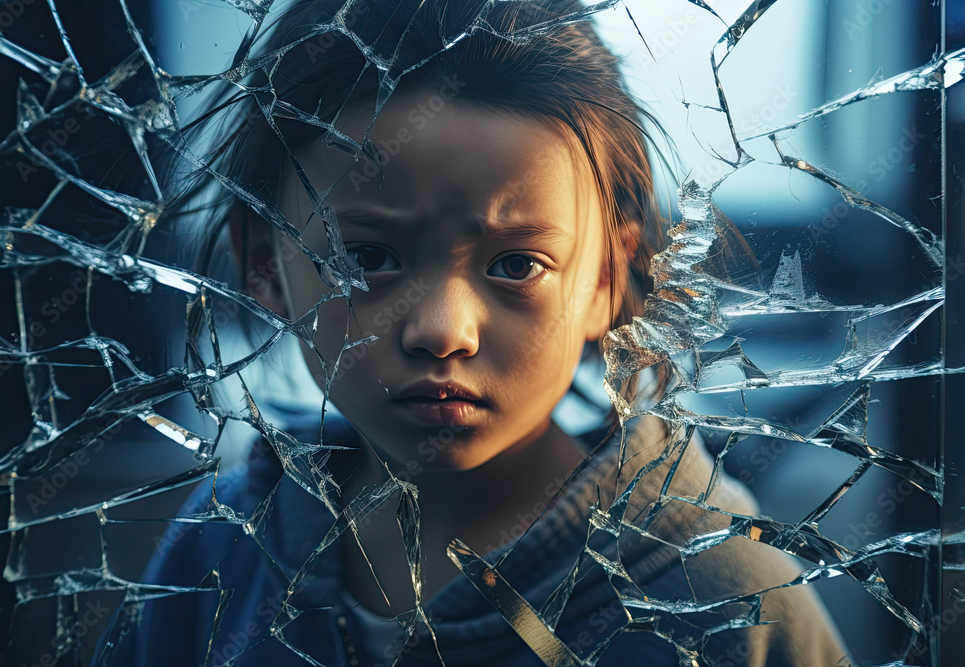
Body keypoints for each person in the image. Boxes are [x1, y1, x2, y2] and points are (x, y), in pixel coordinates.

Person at [108, 1, 849, 665]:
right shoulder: (219, 546)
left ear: (606, 280)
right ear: (264, 263)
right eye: (369, 257)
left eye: (517, 264)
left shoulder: (728, 601)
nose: (442, 331)